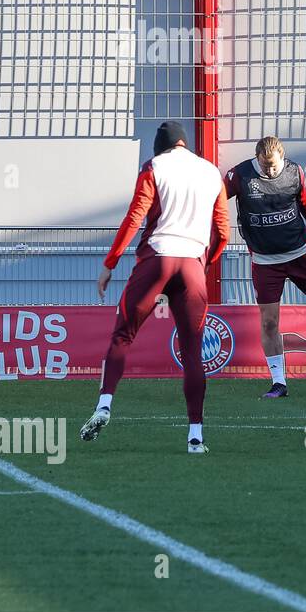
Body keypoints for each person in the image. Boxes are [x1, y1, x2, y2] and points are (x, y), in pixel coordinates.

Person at [80, 121, 229, 454]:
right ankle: (195, 437)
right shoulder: (211, 173)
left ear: (160, 147)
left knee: (123, 335)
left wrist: (110, 263)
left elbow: (135, 218)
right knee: (192, 351)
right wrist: (206, 263)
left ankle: (105, 404)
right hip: (192, 263)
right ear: (184, 144)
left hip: (157, 258)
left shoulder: (154, 167)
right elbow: (223, 230)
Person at [224, 135, 306, 398]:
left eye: (273, 165)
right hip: (265, 261)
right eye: (265, 166)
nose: (270, 170)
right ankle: (279, 382)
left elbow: (305, 202)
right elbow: (216, 200)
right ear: (257, 159)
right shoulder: (239, 175)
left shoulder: (294, 171)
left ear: (282, 157)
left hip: (298, 251)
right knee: (269, 322)